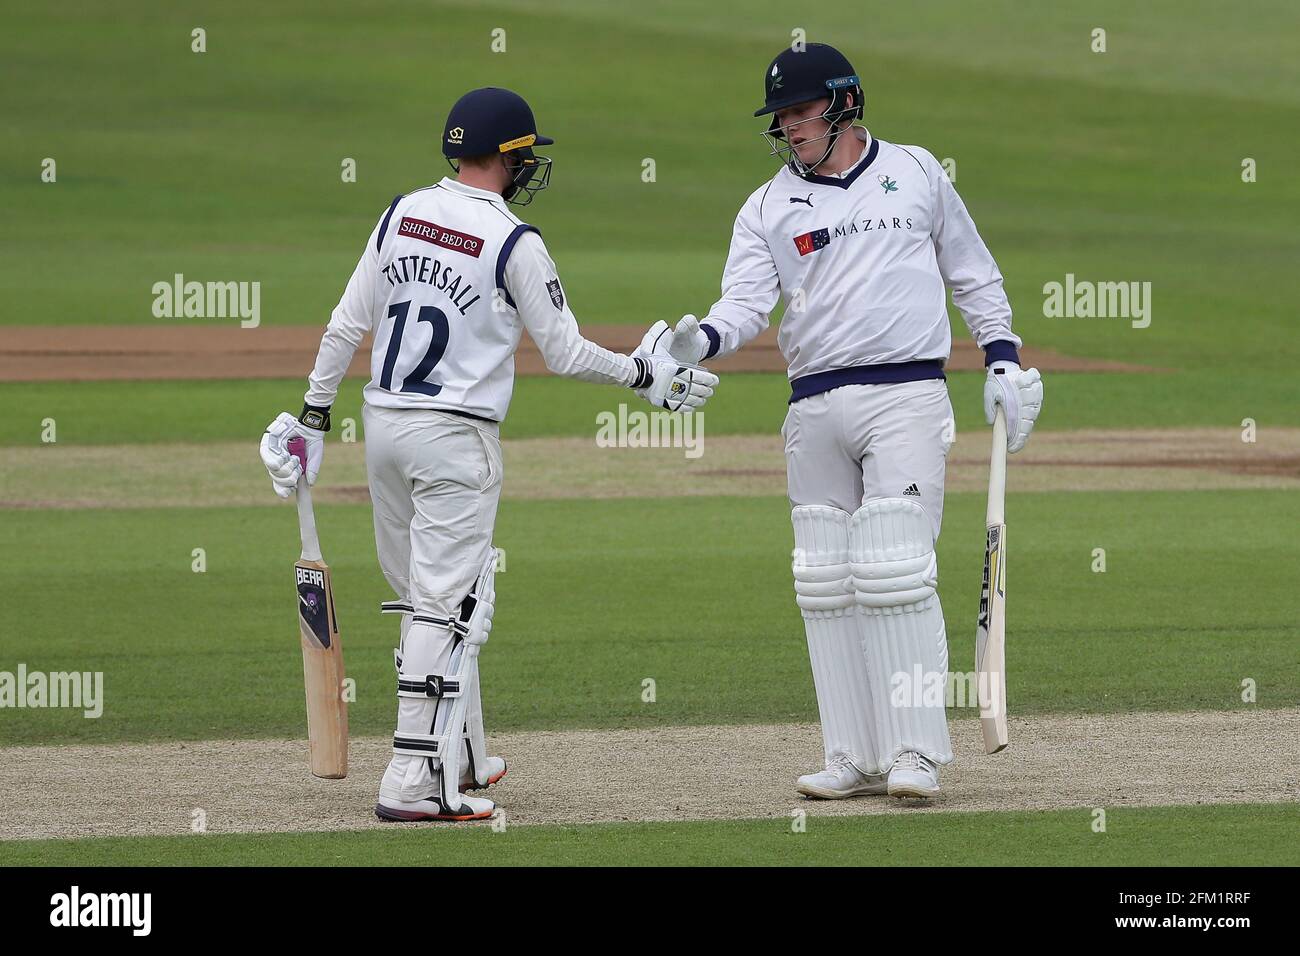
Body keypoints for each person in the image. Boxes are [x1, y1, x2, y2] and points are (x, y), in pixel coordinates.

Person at [260, 87, 718, 821]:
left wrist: (313, 418)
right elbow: (564, 353)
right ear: (507, 157)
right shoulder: (515, 241)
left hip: (382, 429)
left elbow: (347, 326)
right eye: (525, 154)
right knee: (443, 606)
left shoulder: (401, 212)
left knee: (434, 596)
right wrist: (642, 374)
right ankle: (411, 783)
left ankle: (464, 753)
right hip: (455, 440)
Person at [646, 44, 1042, 800]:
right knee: (827, 580)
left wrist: (1001, 359)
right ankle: (851, 755)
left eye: (801, 111)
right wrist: (699, 340)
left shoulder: (919, 171)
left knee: (896, 571)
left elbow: (973, 271)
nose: (789, 127)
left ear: (843, 103)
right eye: (780, 117)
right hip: (814, 403)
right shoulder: (766, 205)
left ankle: (916, 754)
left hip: (907, 395)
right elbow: (743, 305)